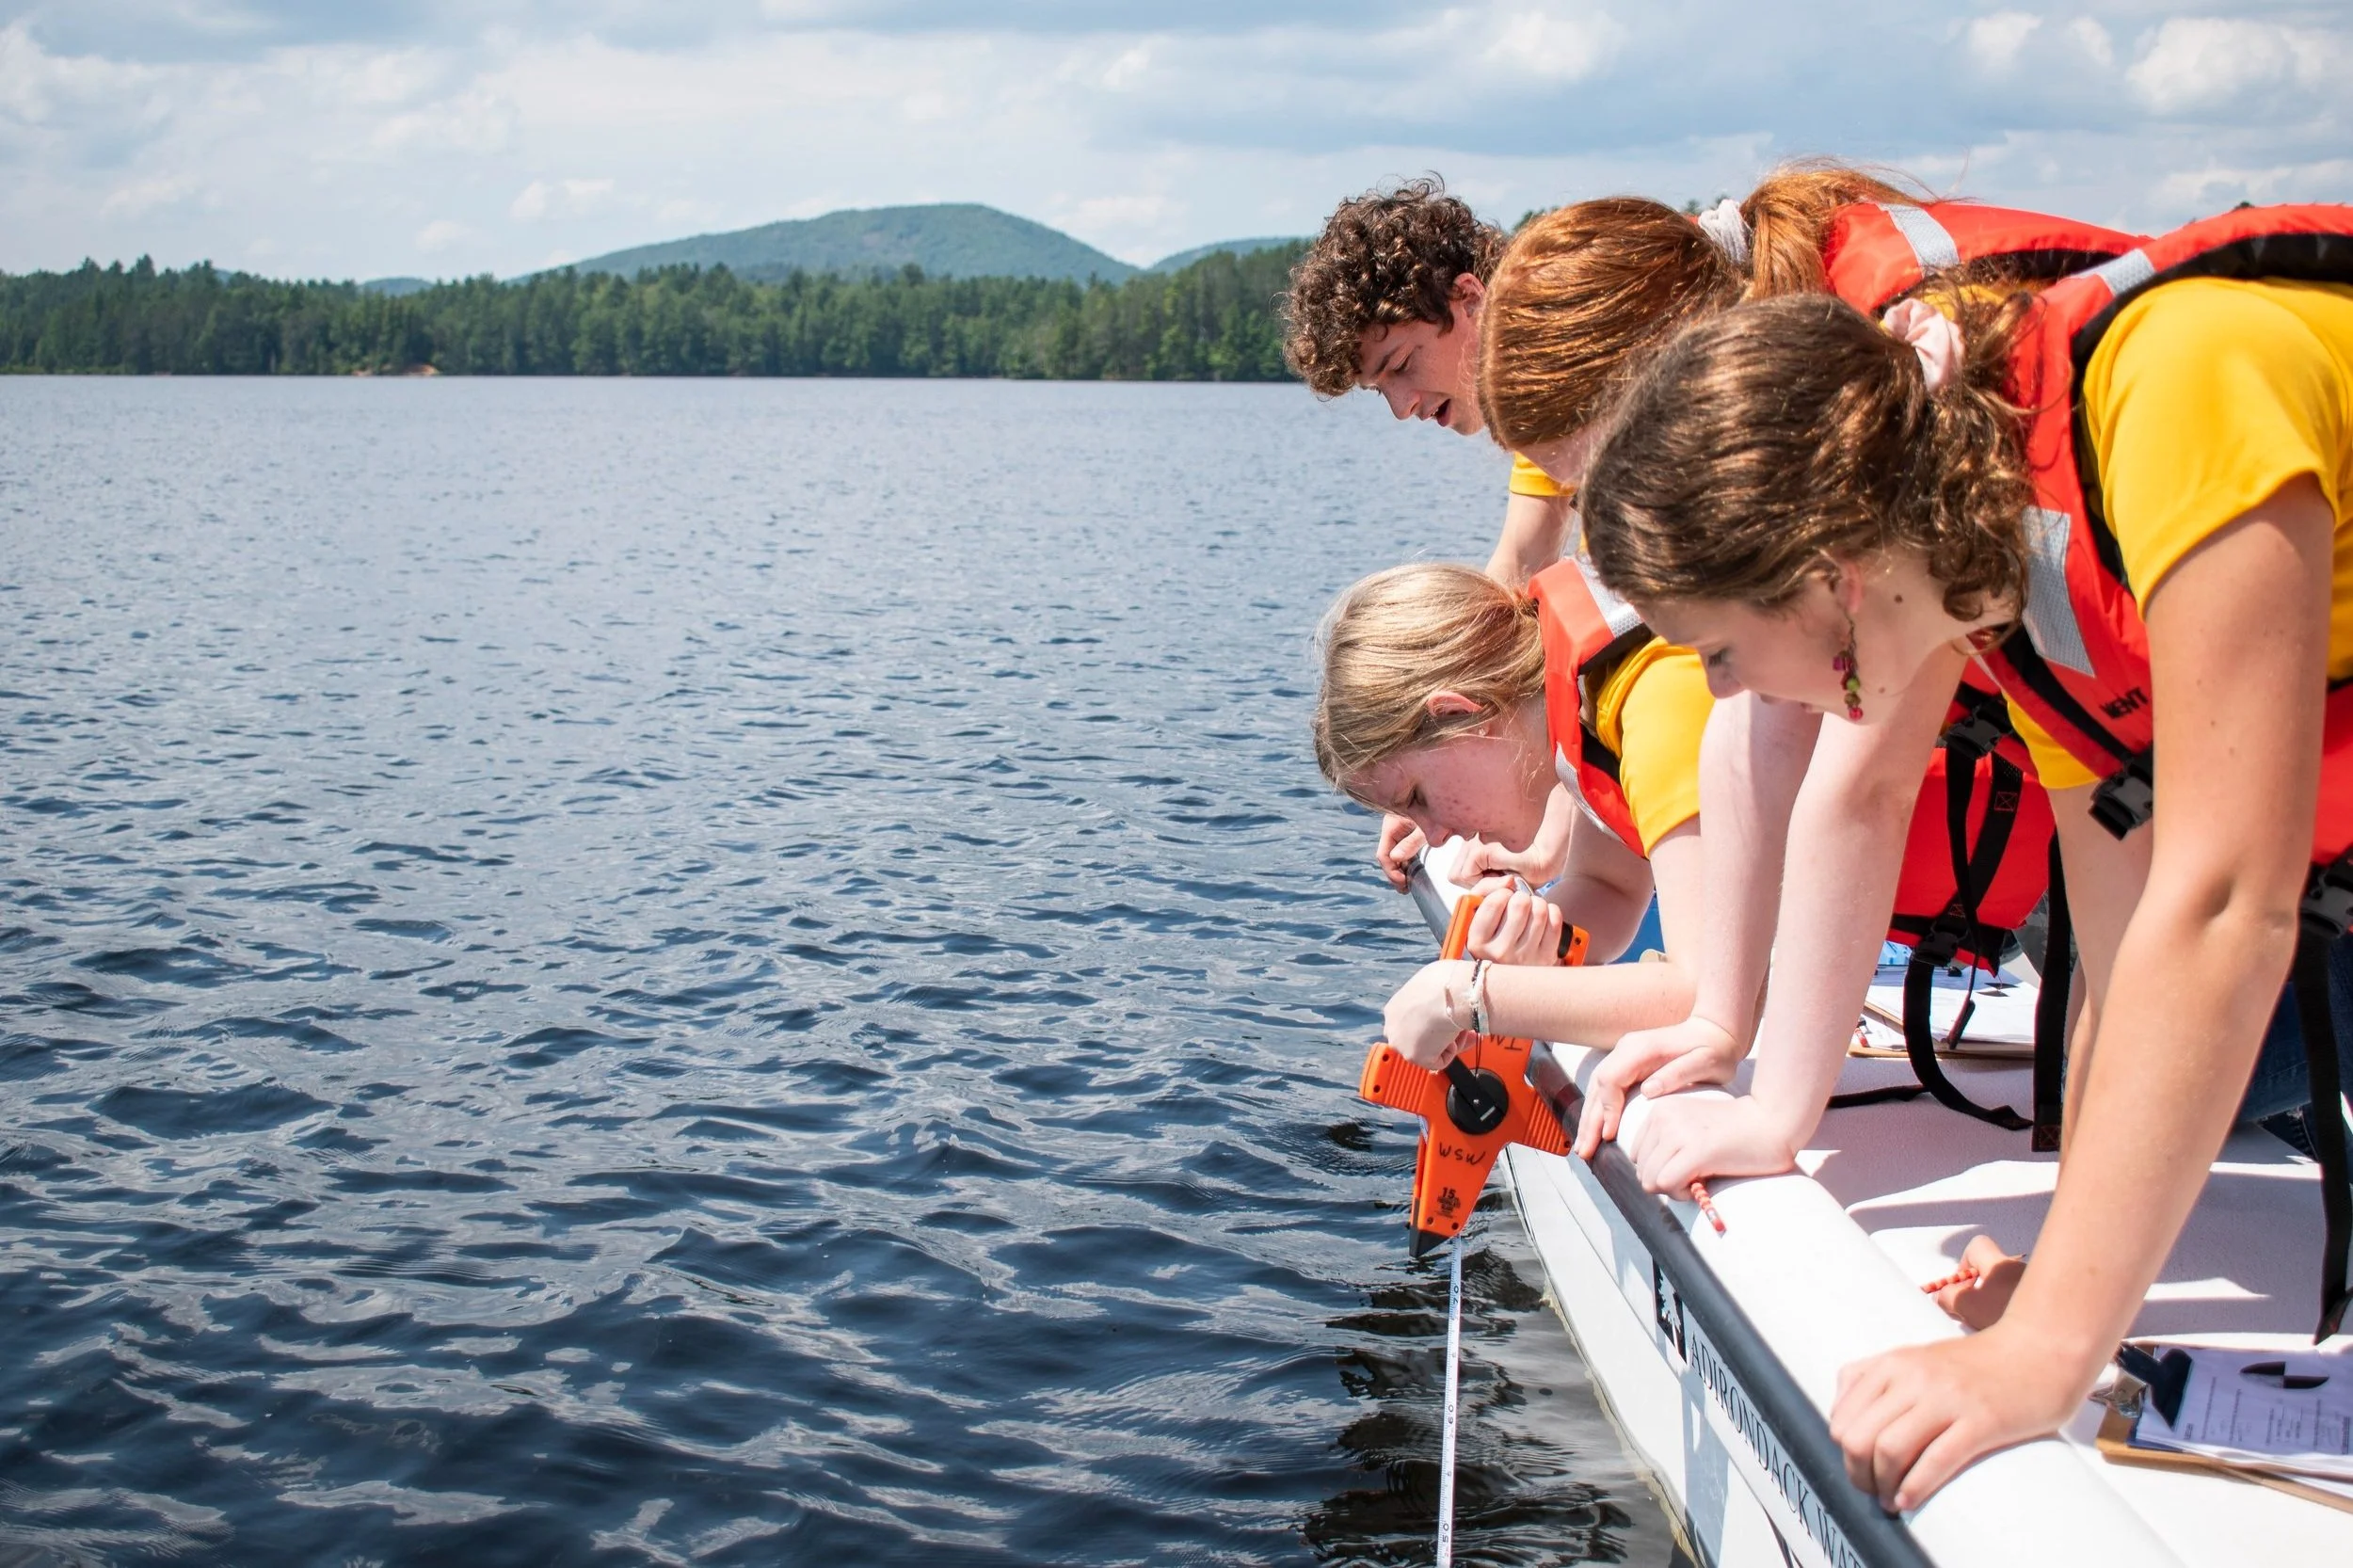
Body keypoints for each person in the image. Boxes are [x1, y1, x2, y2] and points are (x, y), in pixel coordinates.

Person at [1569, 203, 2353, 1509]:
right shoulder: (2019, 615)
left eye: (1713, 652)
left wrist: (2048, 1353)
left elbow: (2225, 907)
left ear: (1823, 578)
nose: (1729, 692)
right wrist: (2064, 1282)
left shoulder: (2181, 387)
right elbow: (2123, 963)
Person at [1474, 174, 2137, 1139]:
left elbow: (1862, 783)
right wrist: (1720, 1015)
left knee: (2219, 1070)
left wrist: (1777, 1110)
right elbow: (1756, 726)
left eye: (1606, 471)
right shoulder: (1805, 368)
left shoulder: (1890, 401)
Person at [1288, 178, 1586, 900]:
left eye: (1400, 366)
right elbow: (1514, 574)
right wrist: (1439, 783)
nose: (1402, 408)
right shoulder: (1541, 409)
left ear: (1470, 299)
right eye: (1378, 388)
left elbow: (1645, 620)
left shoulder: (1588, 380)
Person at [1312, 560, 1716, 1058]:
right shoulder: (1579, 707)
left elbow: (1712, 999)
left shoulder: (1654, 703)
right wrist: (1522, 946)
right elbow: (1609, 888)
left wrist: (1468, 997)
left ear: (1461, 715)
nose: (1434, 837)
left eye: (1417, 797)